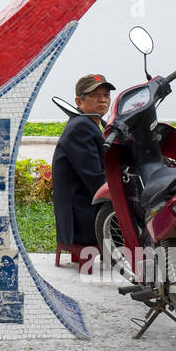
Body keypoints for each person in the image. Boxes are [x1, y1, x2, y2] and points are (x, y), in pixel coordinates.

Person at [52, 72, 115, 251]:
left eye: (106, 95)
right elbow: (96, 181)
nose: (102, 100)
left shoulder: (95, 123)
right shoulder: (80, 128)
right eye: (95, 96)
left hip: (87, 209)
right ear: (79, 102)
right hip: (82, 220)